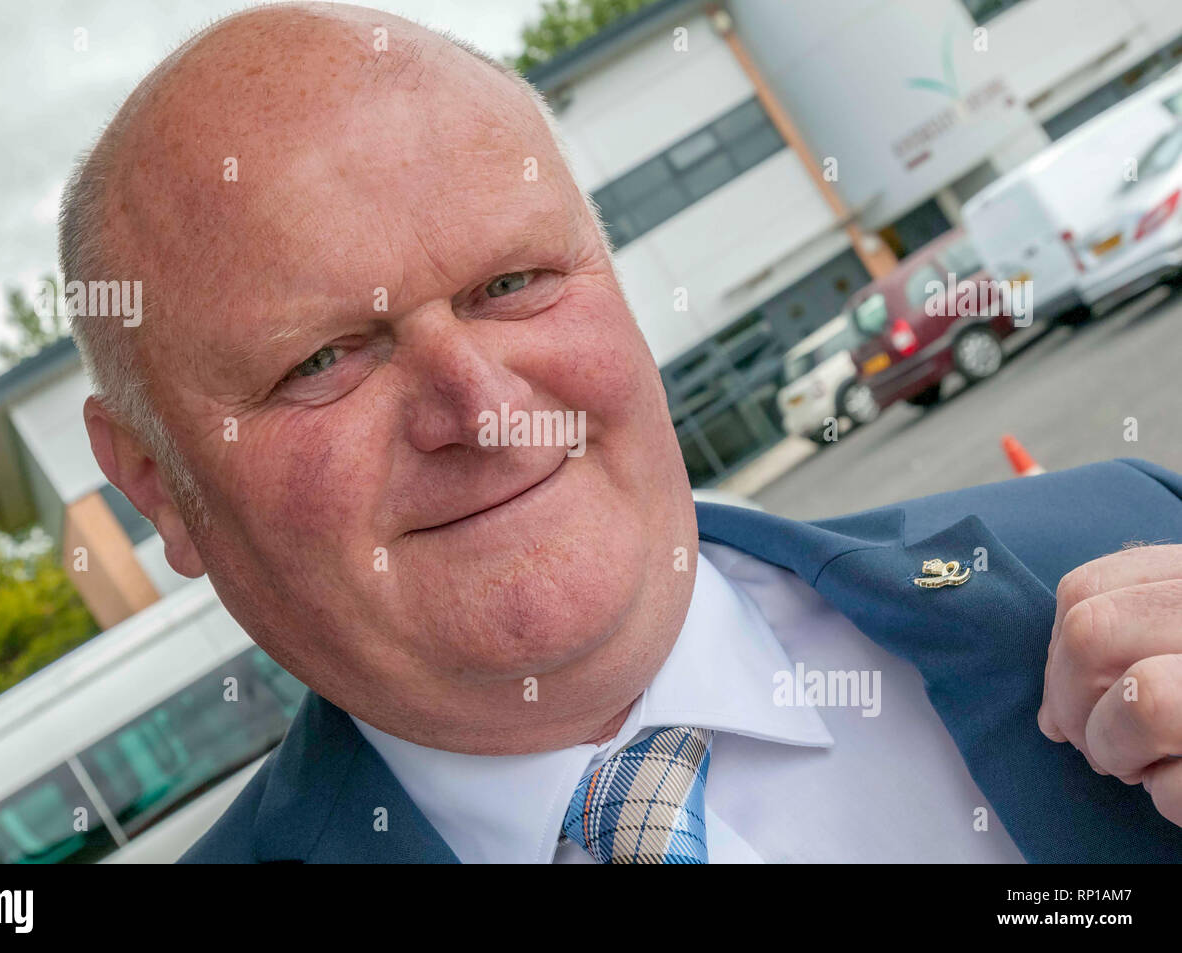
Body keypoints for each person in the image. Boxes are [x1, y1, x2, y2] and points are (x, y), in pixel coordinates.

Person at [58, 2, 1182, 863]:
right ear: (158, 485)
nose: (485, 409)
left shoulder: (1121, 548)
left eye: (512, 281)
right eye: (322, 360)